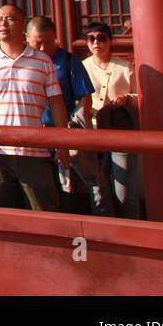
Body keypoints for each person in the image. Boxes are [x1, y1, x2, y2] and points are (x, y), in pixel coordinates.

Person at [0, 4, 69, 211]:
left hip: (33, 148)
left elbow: (56, 101)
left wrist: (63, 142)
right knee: (0, 212)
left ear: (23, 25)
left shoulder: (42, 61)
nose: (2, 23)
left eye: (10, 19)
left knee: (44, 210)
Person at [27, 15, 100, 214]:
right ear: (27, 39)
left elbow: (85, 97)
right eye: (37, 43)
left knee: (78, 184)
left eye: (48, 42)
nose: (43, 49)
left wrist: (74, 124)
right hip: (32, 135)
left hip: (64, 132)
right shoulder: (23, 63)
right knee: (40, 187)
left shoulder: (68, 60)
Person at [82, 21, 142, 219]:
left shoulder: (125, 66)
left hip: (120, 129)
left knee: (124, 191)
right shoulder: (82, 68)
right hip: (92, 133)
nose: (96, 43)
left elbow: (139, 96)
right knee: (98, 191)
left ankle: (134, 232)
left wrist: (127, 99)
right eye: (91, 39)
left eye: (101, 38)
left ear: (110, 41)